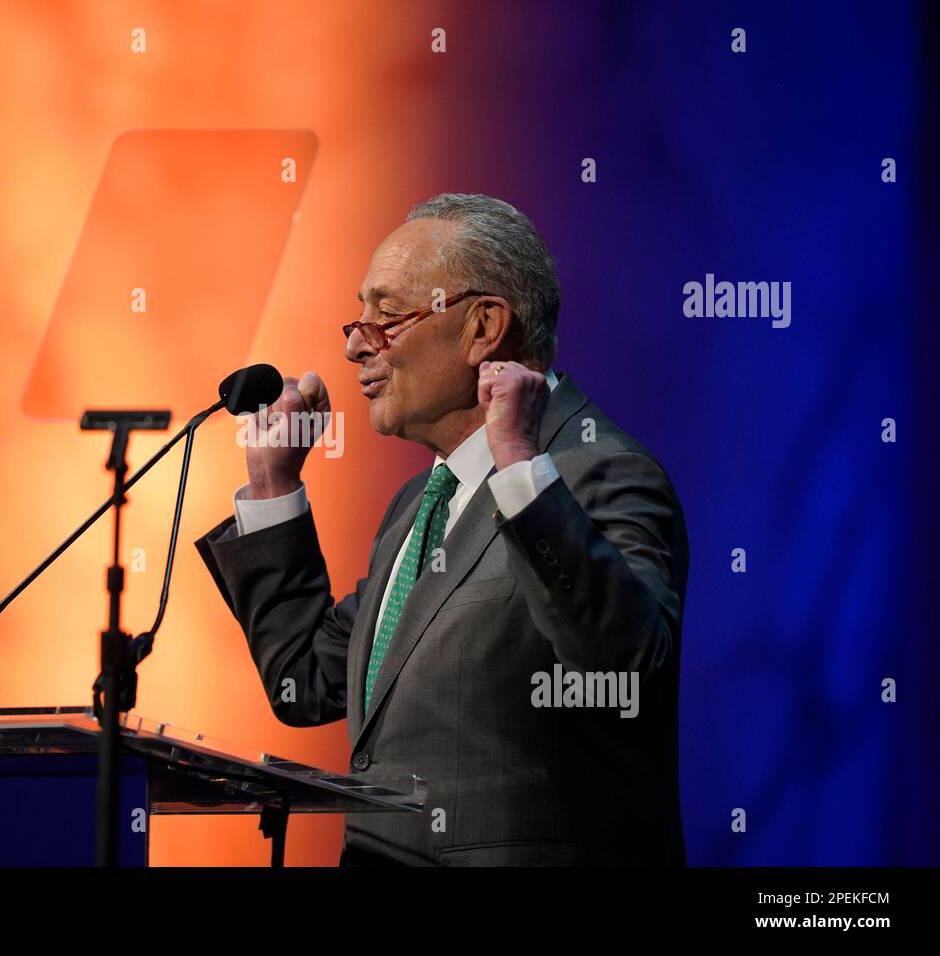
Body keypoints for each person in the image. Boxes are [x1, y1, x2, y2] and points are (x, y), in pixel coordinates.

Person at [194, 193, 689, 865]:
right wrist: (274, 489)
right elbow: (306, 683)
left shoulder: (600, 471)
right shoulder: (418, 505)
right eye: (357, 315)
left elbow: (626, 664)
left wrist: (520, 469)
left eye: (386, 315)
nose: (351, 344)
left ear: (483, 327)